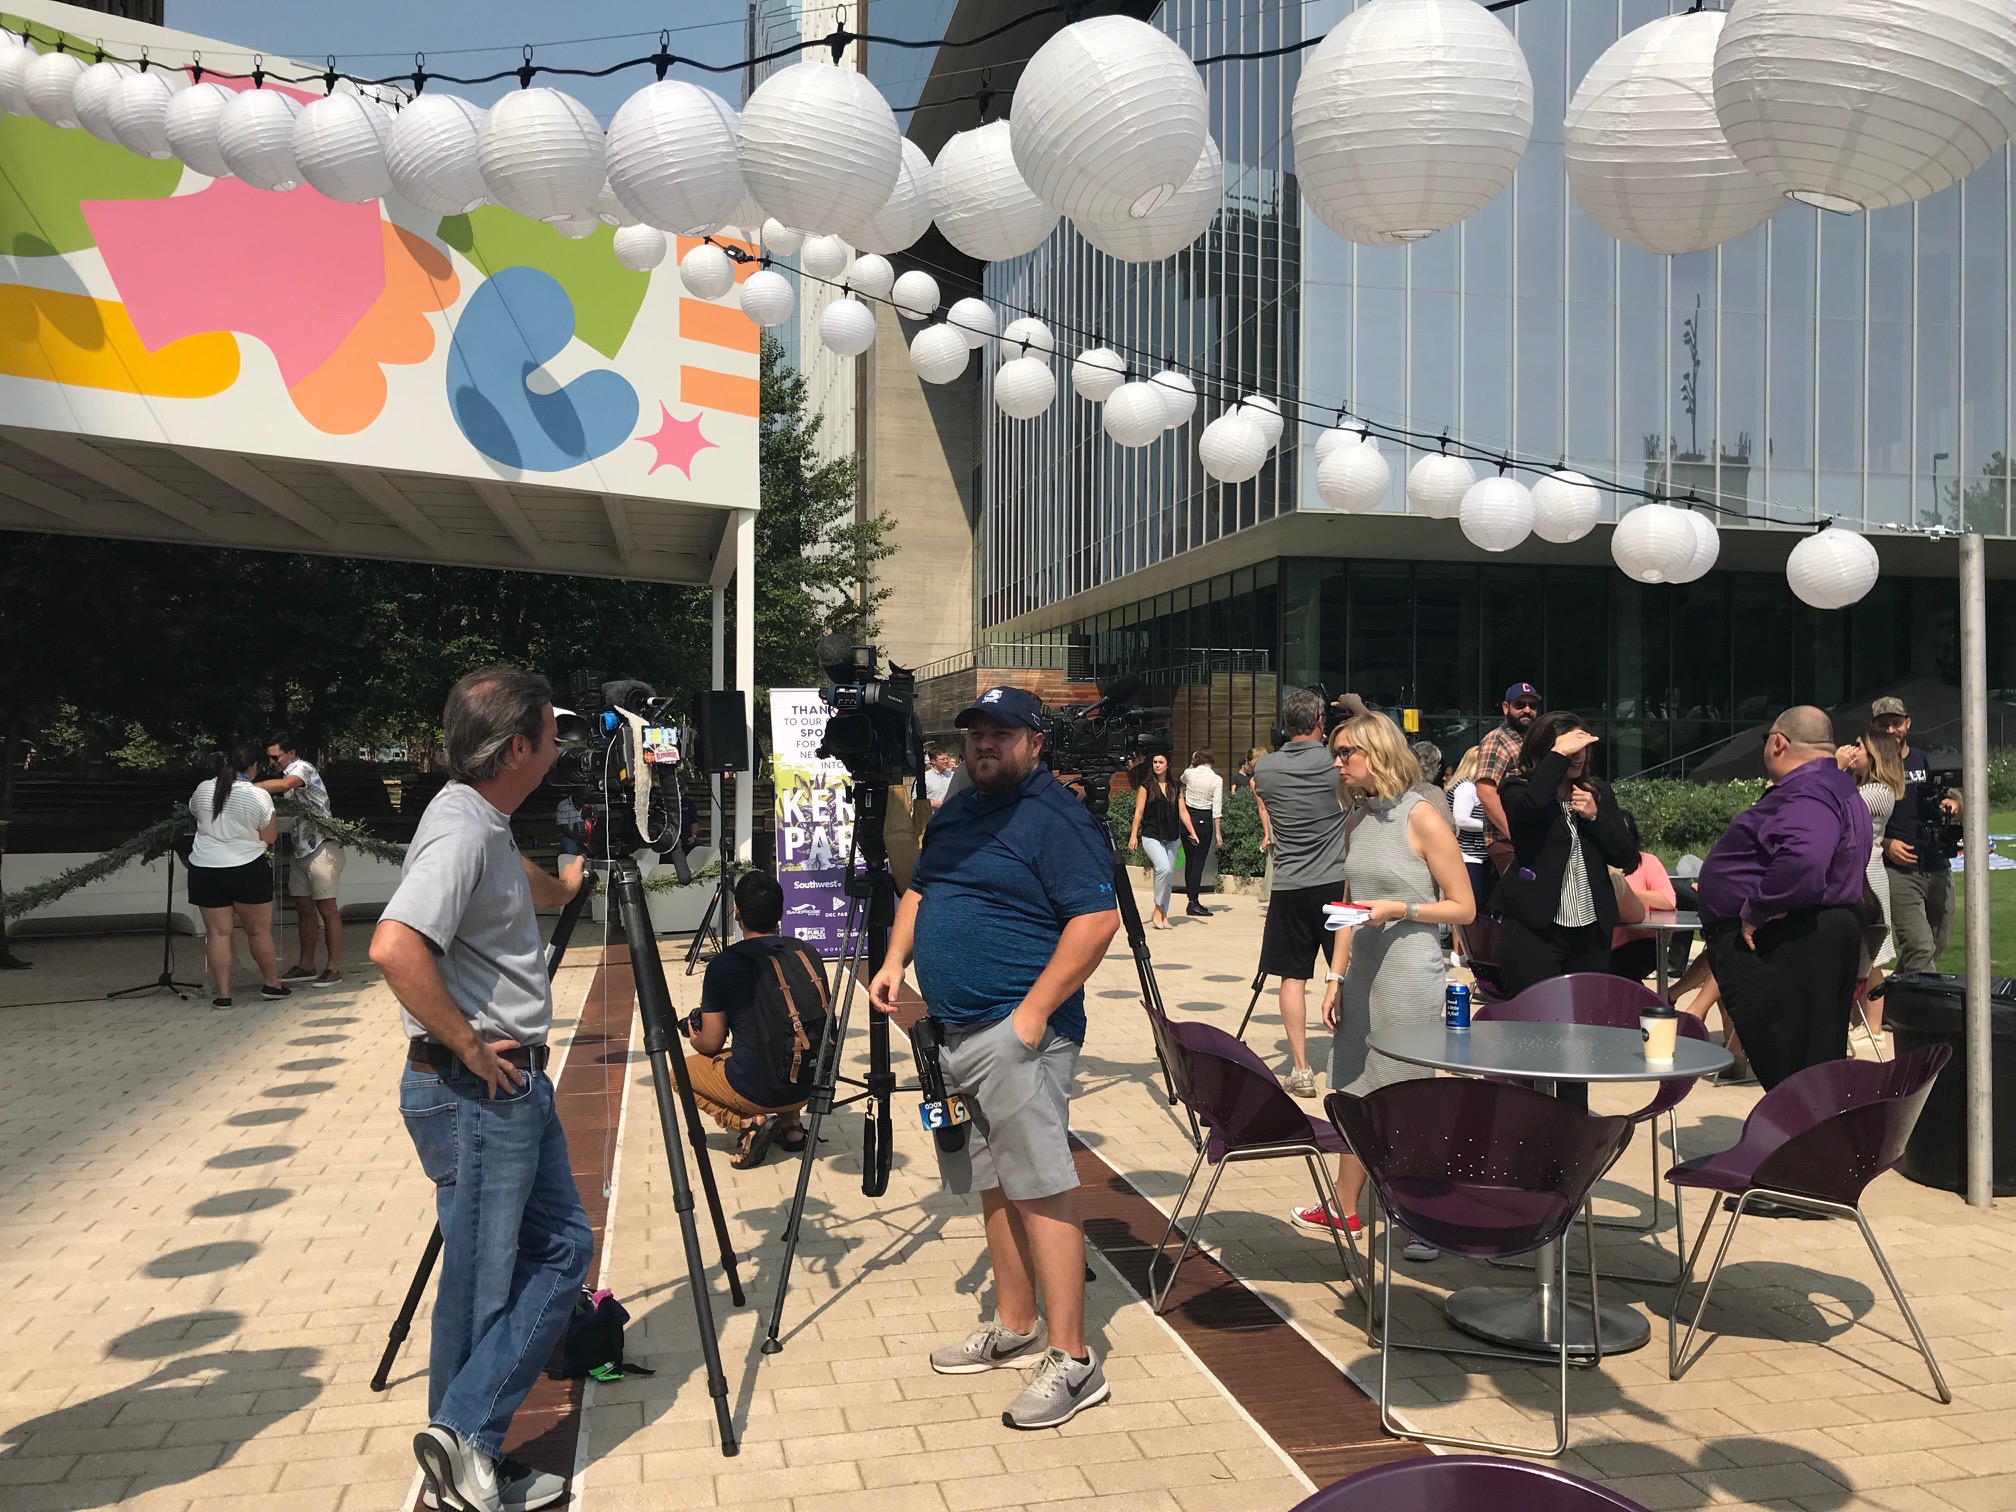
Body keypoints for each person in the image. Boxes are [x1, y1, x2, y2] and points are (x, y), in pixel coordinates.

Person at [868, 685, 1120, 1430]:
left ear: (1034, 743)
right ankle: (1015, 1324)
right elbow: (920, 890)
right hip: (955, 1032)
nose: (983, 744)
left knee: (1040, 1187)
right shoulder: (958, 808)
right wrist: (894, 958)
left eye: (1000, 734)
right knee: (994, 1184)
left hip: (1017, 1036)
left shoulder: (1055, 818)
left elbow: (1097, 920)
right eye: (976, 732)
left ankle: (1073, 1360)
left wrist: (1032, 1018)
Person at [370, 667, 589, 1512]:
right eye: (552, 732)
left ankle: (467, 1448)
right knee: (502, 1272)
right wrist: (463, 1039)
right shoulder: (462, 833)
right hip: (478, 1089)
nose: (562, 747)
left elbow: (509, 879)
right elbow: (393, 947)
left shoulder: (479, 821)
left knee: (540, 1255)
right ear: (519, 747)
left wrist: (562, 888)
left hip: (496, 1089)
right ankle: (465, 1438)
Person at [1294, 713, 1474, 1254]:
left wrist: (1402, 908)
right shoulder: (1358, 820)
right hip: (1363, 974)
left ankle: (1425, 1218)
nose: (1337, 762)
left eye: (1345, 752)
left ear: (1378, 752)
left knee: (1407, 1095)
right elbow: (1350, 908)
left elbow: (1464, 907)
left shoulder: (1422, 816)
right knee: (1354, 1088)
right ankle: (1346, 1210)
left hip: (1409, 974)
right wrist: (1333, 978)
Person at [1697, 706, 1868, 1092]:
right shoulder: (1835, 785)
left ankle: (1807, 1150)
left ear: (1778, 743)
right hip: (1815, 933)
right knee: (1807, 1070)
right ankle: (1810, 1147)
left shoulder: (1808, 788)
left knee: (1796, 1075)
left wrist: (1758, 907)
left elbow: (1806, 857)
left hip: (1791, 941)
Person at [683, 870, 829, 1168]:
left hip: (758, 1090)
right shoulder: (807, 952)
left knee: (677, 1072)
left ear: (737, 912)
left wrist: (691, 1031)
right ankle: (791, 1128)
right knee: (784, 1039)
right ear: (781, 912)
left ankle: (749, 1120)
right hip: (811, 1084)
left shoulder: (723, 965)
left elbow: (711, 1043)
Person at [1492, 712, 1639, 997]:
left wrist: (1596, 818)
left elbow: (1627, 857)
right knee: (1534, 1020)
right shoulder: (1516, 789)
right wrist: (1559, 754)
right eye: (1571, 749)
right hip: (1534, 929)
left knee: (1587, 1021)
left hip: (1590, 929)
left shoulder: (1598, 792)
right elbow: (1531, 807)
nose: (1579, 756)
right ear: (1548, 750)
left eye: (1583, 748)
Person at [1252, 689, 1354, 1098]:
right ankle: (1349, 1058)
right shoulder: (1335, 765)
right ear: (1319, 723)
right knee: (1344, 973)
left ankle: (1300, 1067)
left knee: (1292, 978)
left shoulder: (1266, 768)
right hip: (1336, 881)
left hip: (1289, 883)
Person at [187, 744, 291, 1010]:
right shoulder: (257, 796)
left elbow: (195, 815)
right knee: (258, 932)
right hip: (247, 868)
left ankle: (223, 995)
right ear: (253, 767)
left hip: (205, 869)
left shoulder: (203, 789)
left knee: (218, 934)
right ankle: (272, 984)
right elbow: (269, 838)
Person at [1874, 696, 1962, 973]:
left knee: (1937, 941)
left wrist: (1955, 803)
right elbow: (1856, 818)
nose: (1890, 731)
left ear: (1908, 724)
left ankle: (1897, 995)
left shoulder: (1925, 759)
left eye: (1896, 723)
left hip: (1936, 864)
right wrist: (1886, 844)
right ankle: (1927, 1013)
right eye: (1883, 725)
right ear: (1872, 727)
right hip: (1898, 871)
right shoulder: (1870, 766)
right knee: (1919, 947)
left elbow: (1950, 793)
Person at [256, 731, 346, 986]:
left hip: (322, 846)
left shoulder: (301, 769)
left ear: (292, 753)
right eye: (269, 758)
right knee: (304, 908)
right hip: (300, 848)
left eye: (276, 757)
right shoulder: (286, 772)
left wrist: (250, 787)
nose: (273, 762)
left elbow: (286, 786)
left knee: (326, 908)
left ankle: (333, 967)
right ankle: (306, 965)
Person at [1840, 727, 1907, 1030]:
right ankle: (1860, 1021)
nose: (1852, 748)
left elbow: (1840, 807)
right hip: (1860, 877)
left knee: (1874, 956)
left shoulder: (1879, 792)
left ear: (1875, 756)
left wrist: (1836, 767)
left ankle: (1875, 1026)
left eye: (1859, 746)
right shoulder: (1862, 788)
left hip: (1869, 880)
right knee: (1862, 955)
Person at [1475, 682, 1543, 874]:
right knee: (1524, 899)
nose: (1527, 710)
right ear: (1506, 708)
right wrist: (1514, 835)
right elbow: (1485, 792)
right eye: (1520, 704)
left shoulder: (1532, 742)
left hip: (1534, 839)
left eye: (1532, 706)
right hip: (1507, 843)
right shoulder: (1496, 740)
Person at [1126, 752, 1196, 931]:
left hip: (1172, 836)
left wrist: (1192, 832)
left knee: (1168, 874)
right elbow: (1138, 812)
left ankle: (1164, 913)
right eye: (1155, 762)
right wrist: (1133, 835)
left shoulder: (1175, 786)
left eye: (1161, 762)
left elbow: (1183, 812)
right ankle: (1158, 908)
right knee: (1163, 868)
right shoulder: (1146, 786)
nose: (1157, 765)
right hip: (1151, 835)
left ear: (1168, 765)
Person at [1610, 812, 1677, 983]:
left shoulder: (1648, 862)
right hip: (1605, 942)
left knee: (1623, 975)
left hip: (1640, 942)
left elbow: (1668, 901)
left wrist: (1623, 890)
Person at [1178, 748, 1225, 917]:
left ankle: (1191, 899)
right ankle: (1194, 902)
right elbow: (1217, 808)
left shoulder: (1189, 773)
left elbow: (1182, 779)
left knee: (1189, 861)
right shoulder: (1216, 779)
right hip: (1204, 819)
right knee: (1199, 863)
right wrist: (1218, 833)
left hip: (1187, 818)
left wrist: (1192, 762)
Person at [1447, 745, 1487, 905]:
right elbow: (1461, 819)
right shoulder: (1467, 788)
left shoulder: (1468, 786)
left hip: (1473, 855)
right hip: (1469, 854)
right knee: (1472, 905)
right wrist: (1490, 826)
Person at [1408, 739, 1454, 825]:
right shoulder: (1432, 792)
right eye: (1438, 765)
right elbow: (1448, 824)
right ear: (1432, 767)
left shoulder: (1399, 788)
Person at [924, 744, 959, 809]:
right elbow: (916, 800)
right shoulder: (925, 778)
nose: (946, 761)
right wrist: (933, 804)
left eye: (947, 759)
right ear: (933, 761)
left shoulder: (953, 775)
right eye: (943, 759)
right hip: (932, 815)